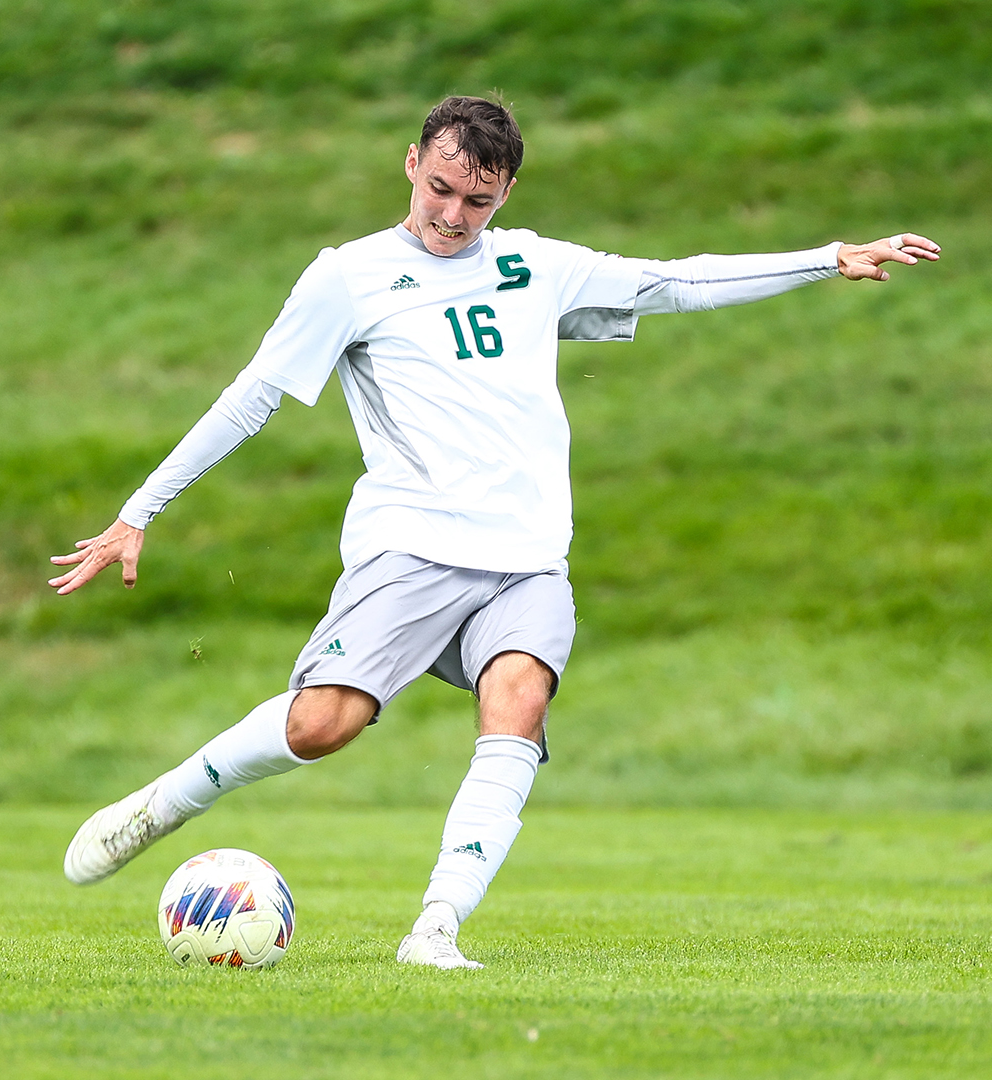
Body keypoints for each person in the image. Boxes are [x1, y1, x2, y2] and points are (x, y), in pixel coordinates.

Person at [50, 95, 940, 970]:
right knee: (326, 724)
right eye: (440, 188)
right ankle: (167, 802)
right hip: (414, 548)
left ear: (506, 191)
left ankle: (435, 929)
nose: (451, 215)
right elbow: (253, 397)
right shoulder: (347, 276)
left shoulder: (535, 266)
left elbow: (674, 279)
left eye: (477, 200)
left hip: (527, 562)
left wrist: (828, 258)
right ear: (411, 162)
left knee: (518, 701)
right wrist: (139, 512)